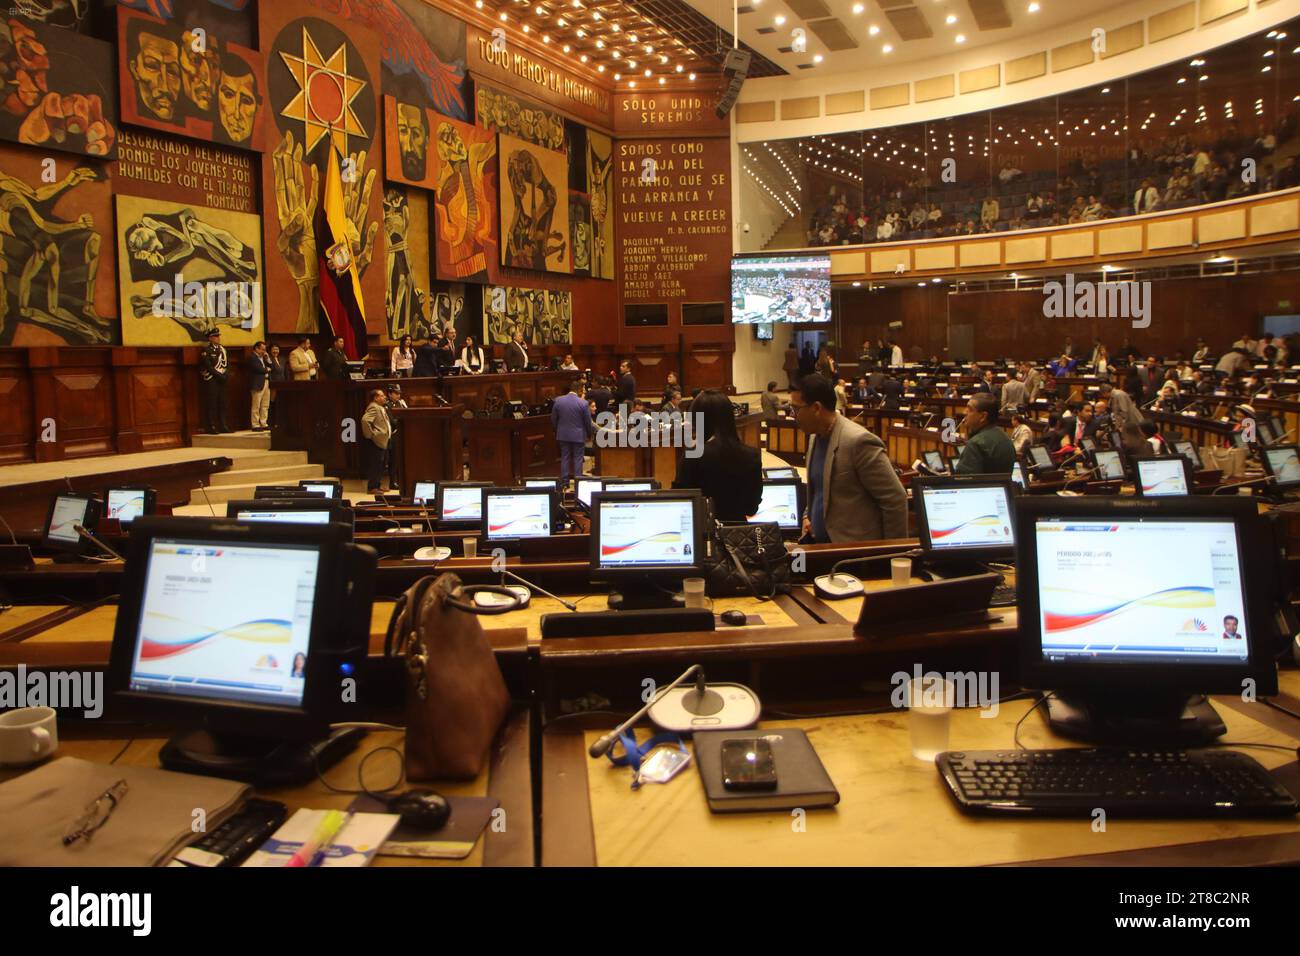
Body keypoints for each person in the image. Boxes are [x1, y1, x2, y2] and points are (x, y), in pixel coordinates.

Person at [792, 373, 907, 543]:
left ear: (816, 408)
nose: (794, 415)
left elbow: (895, 499)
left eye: (796, 409)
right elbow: (819, 487)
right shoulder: (814, 437)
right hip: (821, 546)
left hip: (854, 554)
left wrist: (890, 555)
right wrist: (807, 516)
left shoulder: (859, 441)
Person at [673, 389, 762, 523]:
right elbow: (751, 508)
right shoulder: (752, 455)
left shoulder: (692, 457)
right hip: (736, 534)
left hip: (700, 533)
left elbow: (680, 503)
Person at [955, 393, 1016, 476]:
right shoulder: (1005, 438)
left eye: (969, 409)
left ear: (983, 416)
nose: (964, 412)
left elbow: (964, 482)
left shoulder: (975, 444)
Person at [551, 378, 593, 478]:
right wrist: (589, 434)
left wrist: (557, 430)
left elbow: (553, 419)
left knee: (565, 458)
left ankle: (565, 482)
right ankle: (578, 481)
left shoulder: (558, 400)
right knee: (578, 458)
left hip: (563, 435)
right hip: (578, 435)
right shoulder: (583, 403)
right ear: (579, 390)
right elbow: (588, 421)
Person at [360, 388, 392, 493]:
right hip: (377, 440)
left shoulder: (380, 407)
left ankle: (377, 485)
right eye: (382, 395)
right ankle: (372, 487)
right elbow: (365, 420)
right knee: (376, 464)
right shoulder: (373, 407)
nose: (384, 397)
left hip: (383, 440)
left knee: (382, 464)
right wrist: (372, 434)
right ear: (375, 398)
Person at [199, 328, 228, 434]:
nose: (218, 338)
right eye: (216, 336)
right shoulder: (206, 350)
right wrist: (219, 375)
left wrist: (225, 375)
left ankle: (223, 425)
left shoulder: (222, 350)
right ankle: (212, 426)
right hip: (212, 380)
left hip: (222, 380)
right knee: (212, 404)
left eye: (218, 336)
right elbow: (208, 366)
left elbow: (226, 364)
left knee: (222, 403)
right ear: (210, 338)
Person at [246, 339, 270, 432]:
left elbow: (271, 366)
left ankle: (264, 423)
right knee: (256, 405)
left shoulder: (263, 357)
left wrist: (267, 358)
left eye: (265, 349)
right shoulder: (252, 357)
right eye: (262, 349)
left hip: (266, 382)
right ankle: (255, 424)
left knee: (265, 404)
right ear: (256, 348)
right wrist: (267, 370)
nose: (264, 351)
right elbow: (259, 369)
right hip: (257, 383)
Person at [267, 343, 286, 427]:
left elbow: (286, 372)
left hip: (283, 384)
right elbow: (269, 372)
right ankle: (272, 422)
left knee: (281, 403)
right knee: (272, 404)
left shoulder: (282, 359)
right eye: (274, 349)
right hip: (274, 385)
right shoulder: (268, 359)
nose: (275, 351)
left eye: (277, 349)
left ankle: (280, 421)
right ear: (270, 350)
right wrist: (271, 383)